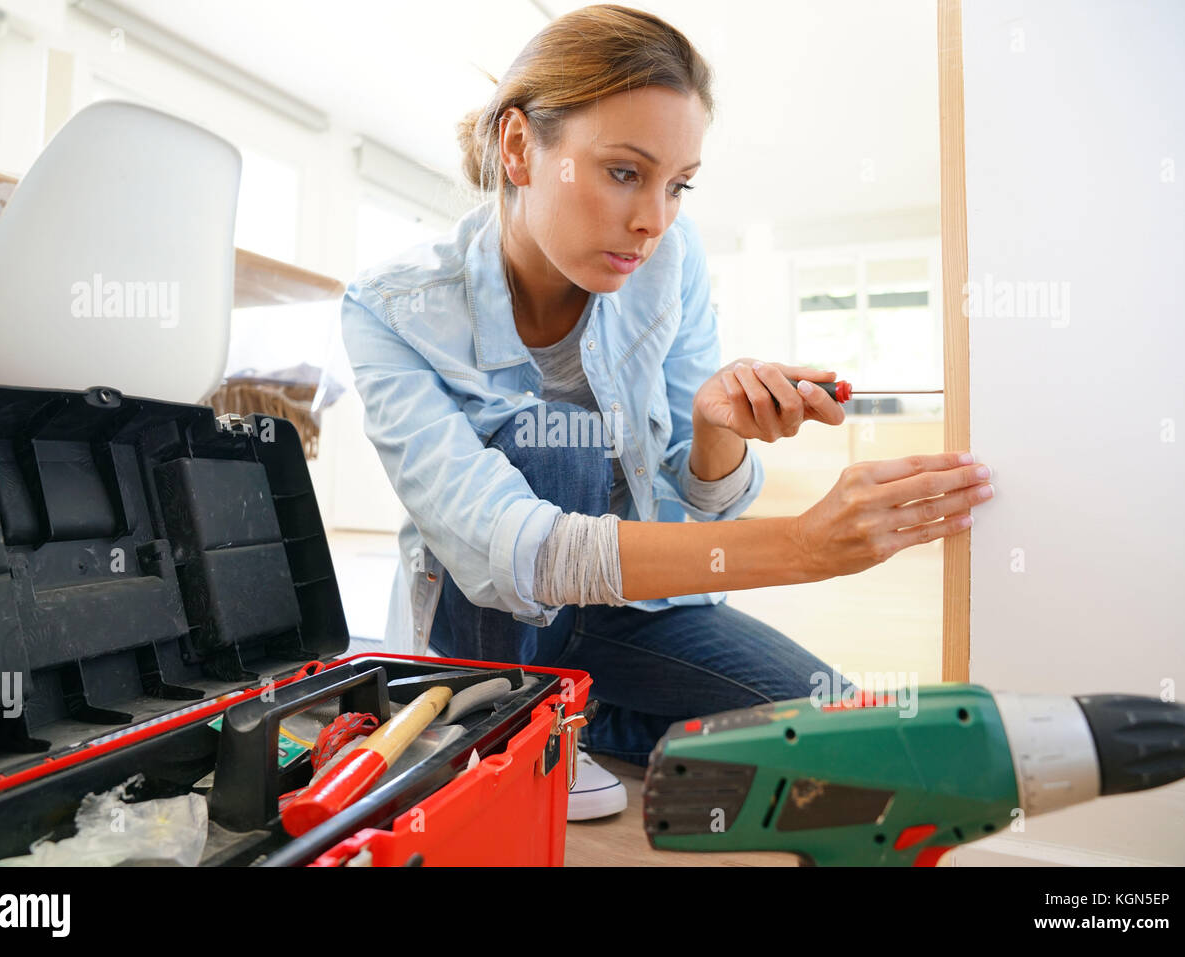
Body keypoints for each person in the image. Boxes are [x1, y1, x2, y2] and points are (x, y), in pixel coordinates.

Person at [342, 4, 994, 820]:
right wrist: (803, 545)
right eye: (624, 172)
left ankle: (589, 717)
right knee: (557, 441)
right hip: (496, 629)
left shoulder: (671, 260)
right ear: (517, 147)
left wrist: (714, 432)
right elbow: (512, 548)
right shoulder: (389, 311)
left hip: (626, 611)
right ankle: (513, 721)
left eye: (678, 185)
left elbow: (700, 508)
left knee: (856, 744)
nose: (654, 219)